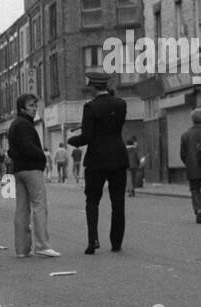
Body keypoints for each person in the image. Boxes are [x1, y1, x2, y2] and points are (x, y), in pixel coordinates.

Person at [68, 72, 128, 254]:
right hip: (118, 156)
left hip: (97, 159)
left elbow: (87, 136)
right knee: (118, 202)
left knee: (92, 201)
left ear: (93, 87)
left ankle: (93, 240)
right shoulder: (121, 104)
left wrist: (73, 141)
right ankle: (116, 242)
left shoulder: (90, 107)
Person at [7, 94, 60, 258]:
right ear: (22, 108)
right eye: (31, 106)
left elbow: (12, 150)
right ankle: (42, 244)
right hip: (31, 169)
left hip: (19, 170)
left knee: (22, 209)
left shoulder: (15, 124)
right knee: (39, 205)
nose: (34, 108)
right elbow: (27, 147)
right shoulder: (24, 125)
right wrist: (41, 156)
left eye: (35, 105)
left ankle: (22, 249)